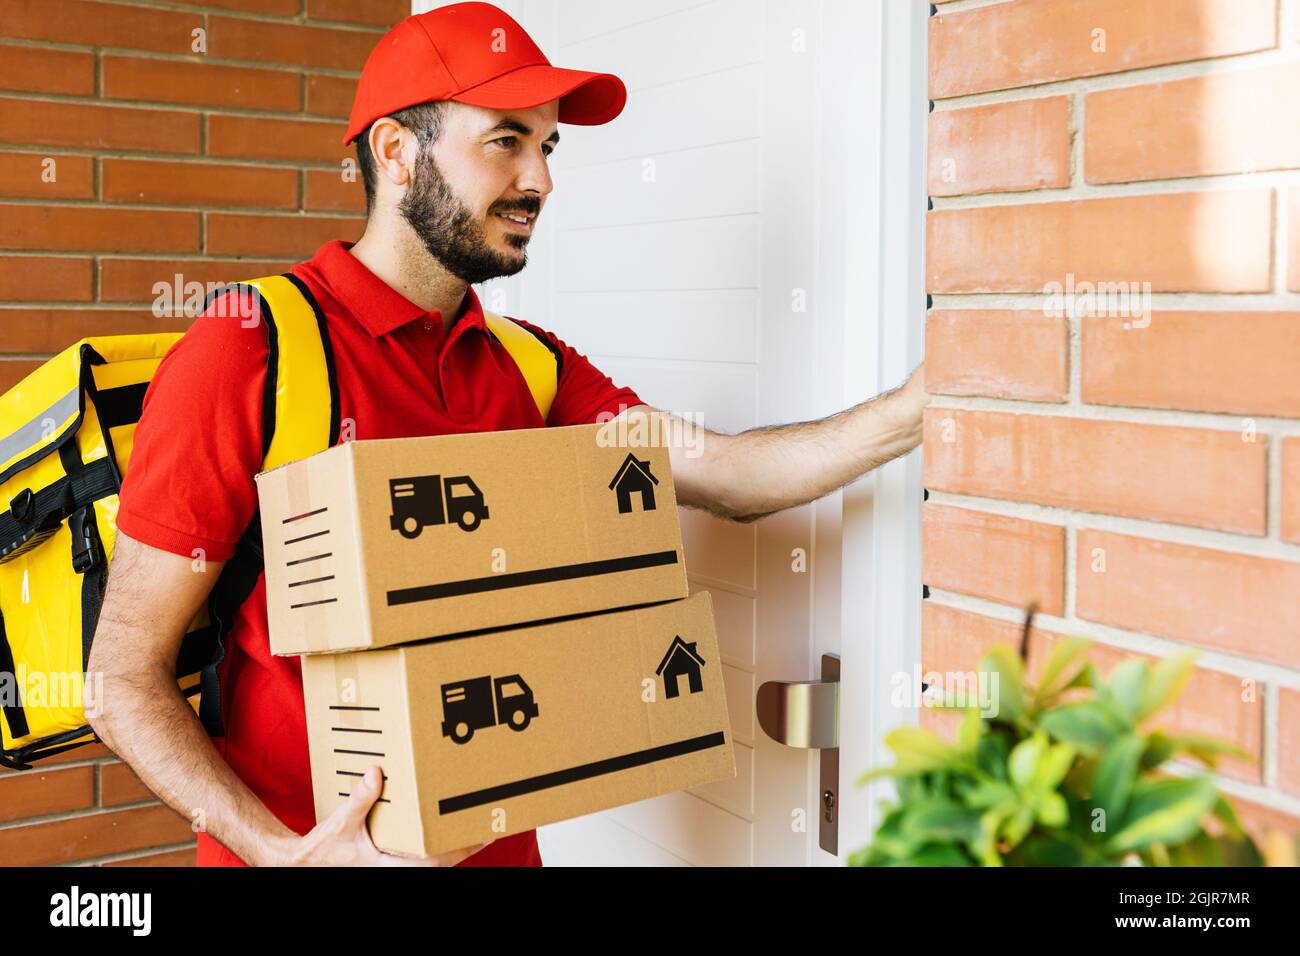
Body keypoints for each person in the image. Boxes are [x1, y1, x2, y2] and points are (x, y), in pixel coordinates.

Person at [86, 1, 927, 867]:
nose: (542, 181)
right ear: (395, 152)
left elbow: (729, 476)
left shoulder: (530, 366)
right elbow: (119, 679)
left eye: (548, 147)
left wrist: (915, 410)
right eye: (506, 141)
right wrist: (278, 851)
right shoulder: (250, 348)